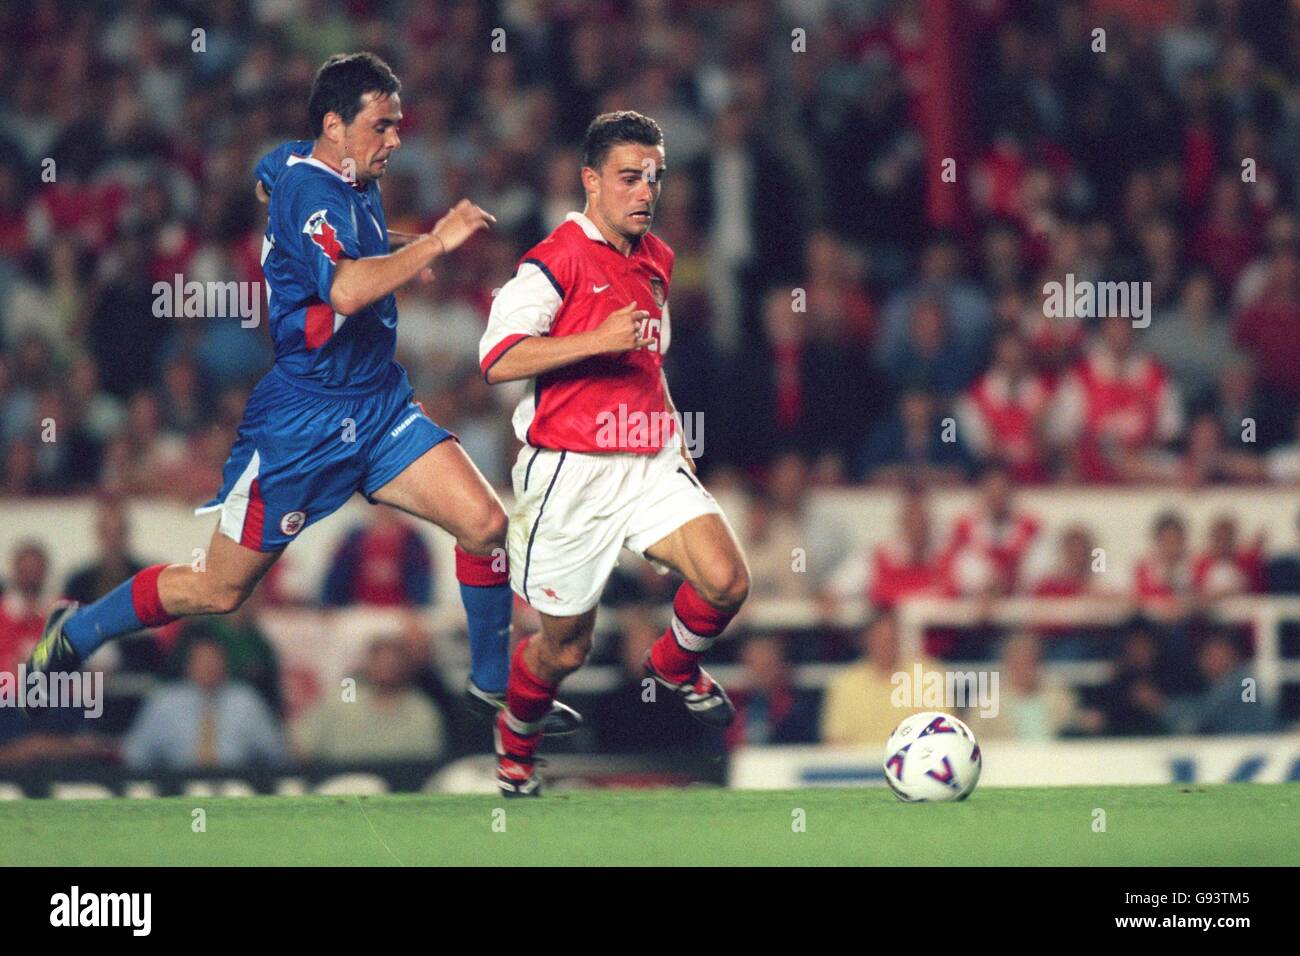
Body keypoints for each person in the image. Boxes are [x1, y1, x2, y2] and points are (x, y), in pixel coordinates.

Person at [23, 52, 577, 737]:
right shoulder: (310, 191)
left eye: (399, 124)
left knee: (488, 525)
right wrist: (432, 244)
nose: (396, 140)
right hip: (303, 425)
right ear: (335, 125)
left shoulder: (306, 164)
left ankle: (495, 688)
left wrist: (395, 246)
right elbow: (343, 287)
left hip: (378, 405)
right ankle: (77, 630)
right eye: (383, 125)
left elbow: (275, 189)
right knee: (219, 590)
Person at [480, 111, 751, 796]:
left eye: (653, 178)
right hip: (571, 473)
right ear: (590, 181)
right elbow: (496, 357)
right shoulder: (553, 260)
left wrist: (678, 448)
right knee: (565, 647)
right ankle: (516, 740)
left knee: (726, 579)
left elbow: (647, 366)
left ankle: (673, 665)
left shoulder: (657, 258)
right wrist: (592, 339)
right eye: (629, 178)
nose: (644, 192)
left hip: (648, 460)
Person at [123, 636, 285, 770]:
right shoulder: (165, 701)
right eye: (202, 660)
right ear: (188, 665)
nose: (209, 666)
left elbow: (277, 753)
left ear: (225, 663)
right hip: (178, 787)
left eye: (214, 660)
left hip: (236, 788)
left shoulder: (245, 700)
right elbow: (135, 754)